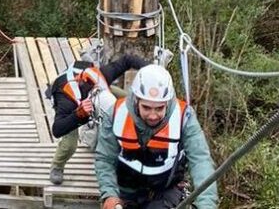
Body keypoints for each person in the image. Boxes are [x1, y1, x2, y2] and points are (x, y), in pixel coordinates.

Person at [94, 65, 217, 209]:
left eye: (159, 108)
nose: (153, 115)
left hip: (165, 191)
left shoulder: (184, 117)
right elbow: (105, 158)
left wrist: (206, 204)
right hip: (124, 191)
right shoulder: (116, 114)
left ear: (167, 103)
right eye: (146, 108)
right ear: (136, 101)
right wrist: (109, 194)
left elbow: (200, 160)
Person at [47, 51, 146, 185]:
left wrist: (150, 69)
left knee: (131, 100)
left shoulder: (104, 75)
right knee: (70, 144)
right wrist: (78, 115)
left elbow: (127, 59)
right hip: (69, 97)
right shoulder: (67, 101)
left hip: (94, 86)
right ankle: (57, 166)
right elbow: (57, 130)